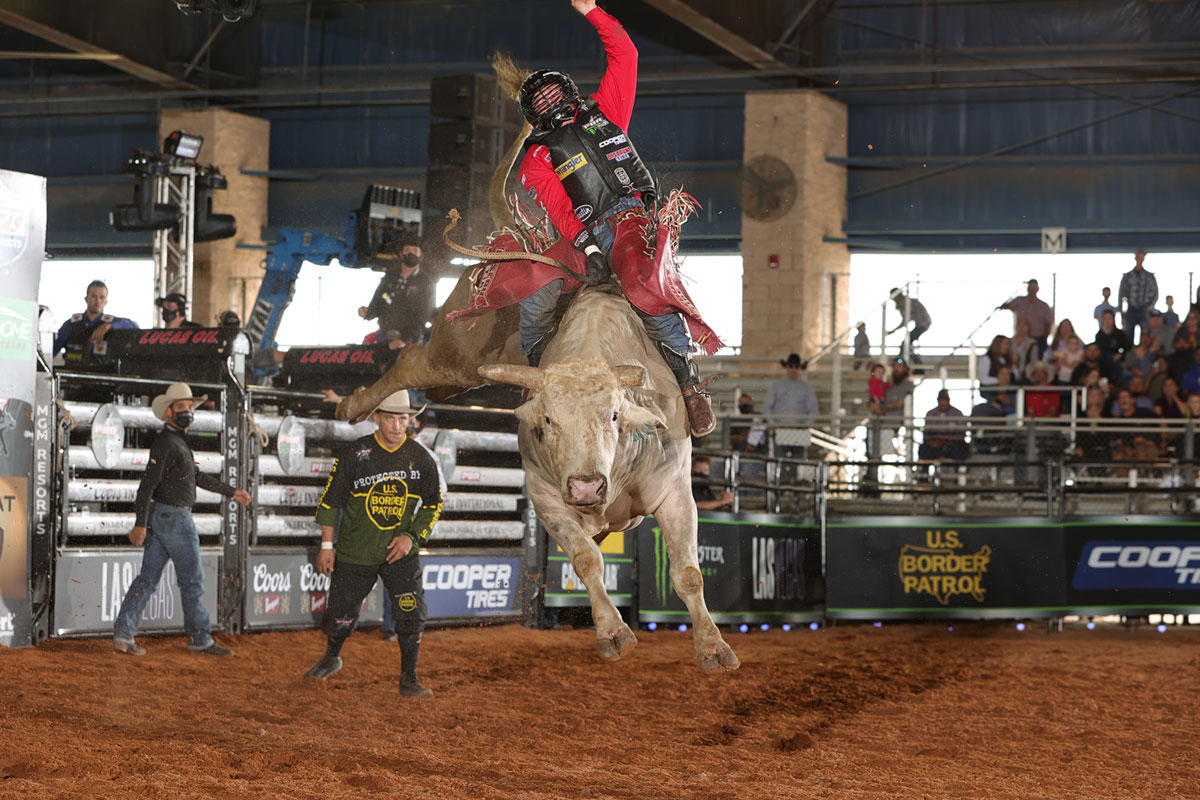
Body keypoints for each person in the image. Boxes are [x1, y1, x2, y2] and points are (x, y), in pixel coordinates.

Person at [515, 0, 715, 436]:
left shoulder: (606, 109)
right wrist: (587, 246)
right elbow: (560, 209)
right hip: (583, 233)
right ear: (533, 112)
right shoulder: (537, 156)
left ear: (568, 91)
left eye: (553, 92)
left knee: (646, 287)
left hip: (633, 221)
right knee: (532, 294)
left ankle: (690, 387)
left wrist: (591, 10)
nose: (549, 100)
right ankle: (540, 385)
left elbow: (626, 54)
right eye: (540, 99)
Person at [304, 390, 445, 698]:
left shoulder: (421, 458)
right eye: (392, 418)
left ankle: (410, 678)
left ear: (411, 420)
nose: (398, 426)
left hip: (400, 552)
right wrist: (327, 546)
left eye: (404, 419)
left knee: (411, 612)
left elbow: (434, 504)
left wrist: (412, 536)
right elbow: (331, 502)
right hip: (357, 549)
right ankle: (332, 657)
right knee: (340, 610)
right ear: (377, 418)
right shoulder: (356, 454)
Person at [112, 383, 252, 656]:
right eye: (182, 407)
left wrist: (231, 492)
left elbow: (193, 478)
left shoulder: (172, 442)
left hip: (163, 516)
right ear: (168, 412)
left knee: (148, 579)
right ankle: (199, 639)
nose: (188, 411)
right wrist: (140, 522)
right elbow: (147, 485)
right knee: (192, 580)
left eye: (190, 407)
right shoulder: (170, 443)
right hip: (175, 517)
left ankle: (124, 634)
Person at [358, 233, 436, 350]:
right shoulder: (391, 276)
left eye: (415, 250)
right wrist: (368, 312)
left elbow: (423, 314)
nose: (411, 253)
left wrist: (405, 340)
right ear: (401, 253)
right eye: (407, 250)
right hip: (385, 335)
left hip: (410, 341)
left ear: (421, 254)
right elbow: (379, 299)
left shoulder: (426, 282)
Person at [52, 279, 138, 367]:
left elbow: (134, 327)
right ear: (86, 299)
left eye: (102, 297)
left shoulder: (112, 324)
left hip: (102, 378)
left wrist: (109, 326)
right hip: (72, 376)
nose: (98, 301)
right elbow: (51, 353)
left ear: (106, 301)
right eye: (94, 296)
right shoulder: (70, 325)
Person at [999, 279, 1053, 357]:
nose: (1032, 289)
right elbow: (1008, 306)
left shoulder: (1044, 306)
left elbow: (1048, 323)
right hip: (1020, 339)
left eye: (1034, 287)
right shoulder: (1019, 301)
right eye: (1030, 287)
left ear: (1038, 289)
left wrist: (1044, 338)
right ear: (1027, 288)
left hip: (1038, 339)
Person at [765, 353, 818, 430]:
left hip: (800, 428)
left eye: (796, 366)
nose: (793, 369)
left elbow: (813, 409)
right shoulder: (776, 386)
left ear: (800, 368)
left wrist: (806, 425)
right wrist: (773, 424)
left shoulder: (807, 388)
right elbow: (767, 406)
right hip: (779, 427)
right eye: (791, 366)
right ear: (786, 367)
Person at [1118, 248, 1158, 343]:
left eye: (1142, 257)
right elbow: (1121, 295)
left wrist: (1148, 309)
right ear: (1135, 257)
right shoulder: (1127, 276)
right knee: (1128, 338)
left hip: (1144, 311)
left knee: (1145, 337)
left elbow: (1155, 294)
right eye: (1138, 256)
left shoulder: (1149, 276)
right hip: (1131, 310)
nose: (1140, 259)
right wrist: (1122, 313)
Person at [919, 389, 967, 462]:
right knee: (924, 449)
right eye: (941, 400)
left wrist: (945, 441)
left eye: (945, 400)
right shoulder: (931, 414)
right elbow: (926, 434)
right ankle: (924, 472)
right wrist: (933, 441)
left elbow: (961, 434)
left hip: (953, 444)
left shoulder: (957, 414)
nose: (943, 403)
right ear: (937, 400)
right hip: (934, 444)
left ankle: (958, 471)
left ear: (949, 400)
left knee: (959, 449)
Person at [886, 288, 931, 363]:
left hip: (922, 324)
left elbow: (905, 321)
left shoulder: (906, 303)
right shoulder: (906, 302)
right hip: (922, 324)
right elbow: (906, 320)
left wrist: (893, 330)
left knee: (905, 344)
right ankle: (905, 361)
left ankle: (901, 361)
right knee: (907, 344)